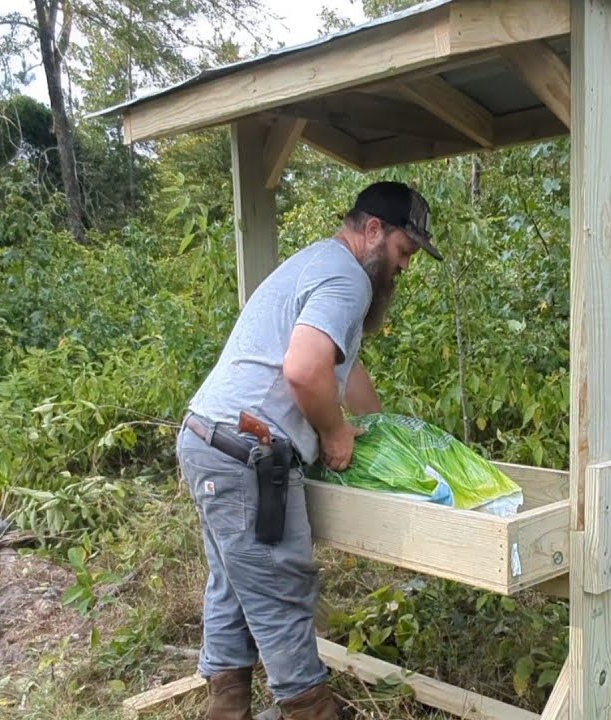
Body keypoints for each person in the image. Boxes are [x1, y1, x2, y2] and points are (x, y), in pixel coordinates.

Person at [174, 180, 442, 720]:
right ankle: (309, 709)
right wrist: (335, 433)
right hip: (249, 455)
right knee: (279, 592)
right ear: (374, 231)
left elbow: (343, 367)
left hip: (209, 442)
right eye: (403, 251)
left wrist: (384, 435)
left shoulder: (318, 262)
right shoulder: (347, 280)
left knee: (232, 585)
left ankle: (226, 708)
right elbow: (305, 368)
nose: (404, 266)